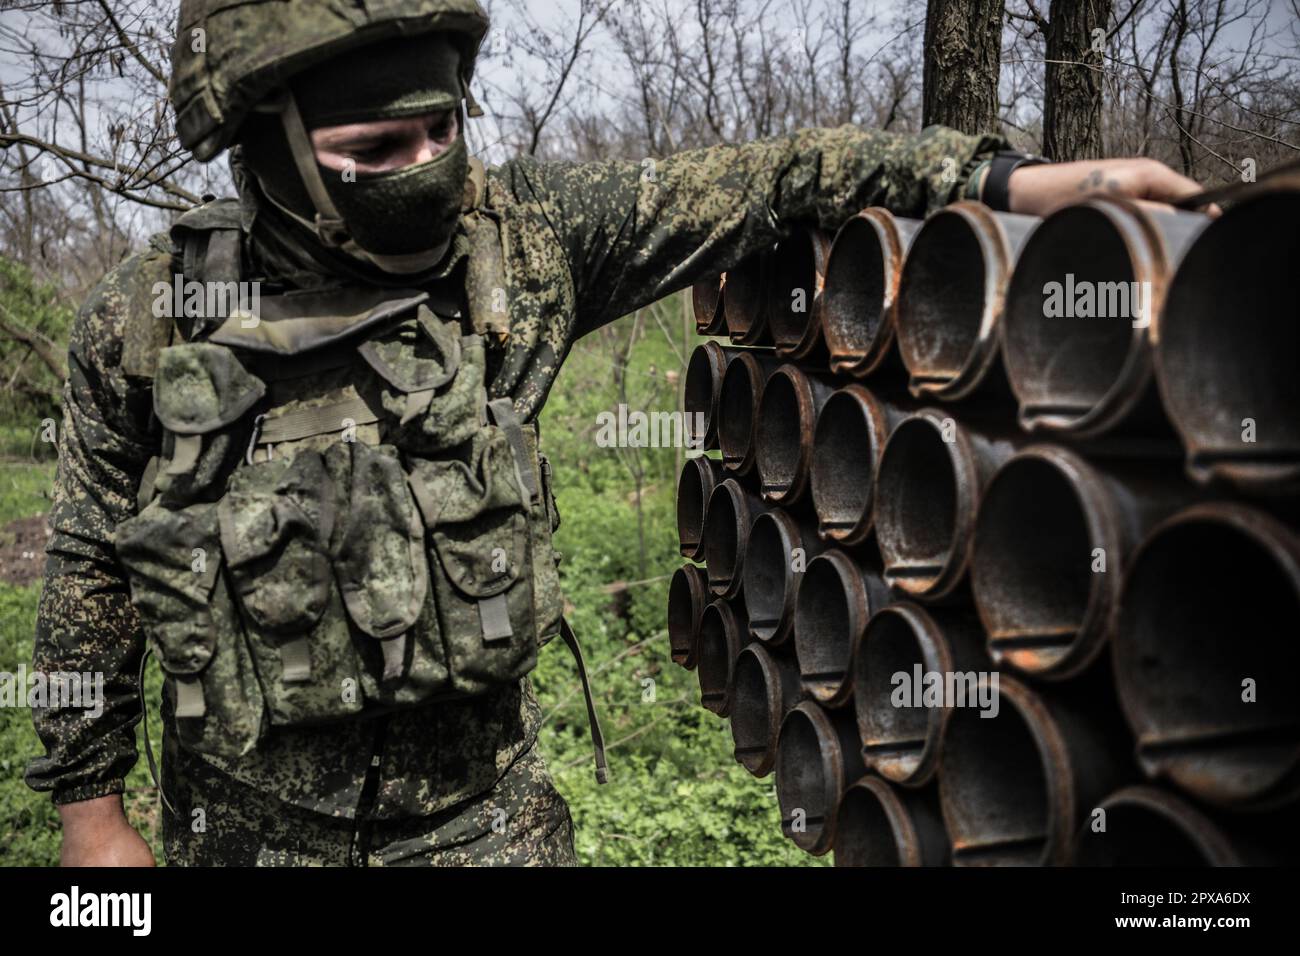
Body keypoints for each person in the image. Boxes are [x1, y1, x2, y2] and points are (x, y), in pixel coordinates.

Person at [26, 0, 1210, 867]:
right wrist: (90, 820)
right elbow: (85, 568)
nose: (427, 171)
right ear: (268, 153)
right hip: (239, 833)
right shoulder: (149, 321)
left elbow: (772, 178)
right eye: (377, 153)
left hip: (484, 824)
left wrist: (1005, 179)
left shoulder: (521, 245)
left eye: (443, 130)